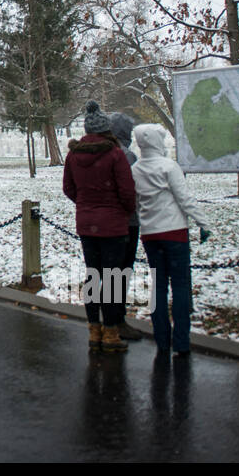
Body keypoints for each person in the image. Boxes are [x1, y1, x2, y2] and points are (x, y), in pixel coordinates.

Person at [131, 124, 212, 357]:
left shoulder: (135, 169)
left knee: (158, 286)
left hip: (150, 234)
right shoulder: (169, 166)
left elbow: (135, 203)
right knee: (180, 286)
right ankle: (182, 341)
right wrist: (203, 223)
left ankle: (162, 340)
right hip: (175, 231)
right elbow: (184, 198)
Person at [62, 101, 137, 353]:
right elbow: (127, 191)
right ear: (107, 130)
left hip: (86, 223)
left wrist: (85, 204)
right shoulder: (115, 154)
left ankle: (94, 329)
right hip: (113, 225)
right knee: (113, 278)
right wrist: (121, 210)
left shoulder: (74, 154)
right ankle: (111, 333)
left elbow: (68, 188)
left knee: (93, 276)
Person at [107, 111, 143, 343]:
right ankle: (116, 321)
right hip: (125, 222)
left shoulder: (97, 152)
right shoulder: (126, 156)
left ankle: (101, 322)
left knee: (102, 272)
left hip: (98, 221)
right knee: (120, 272)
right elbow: (131, 190)